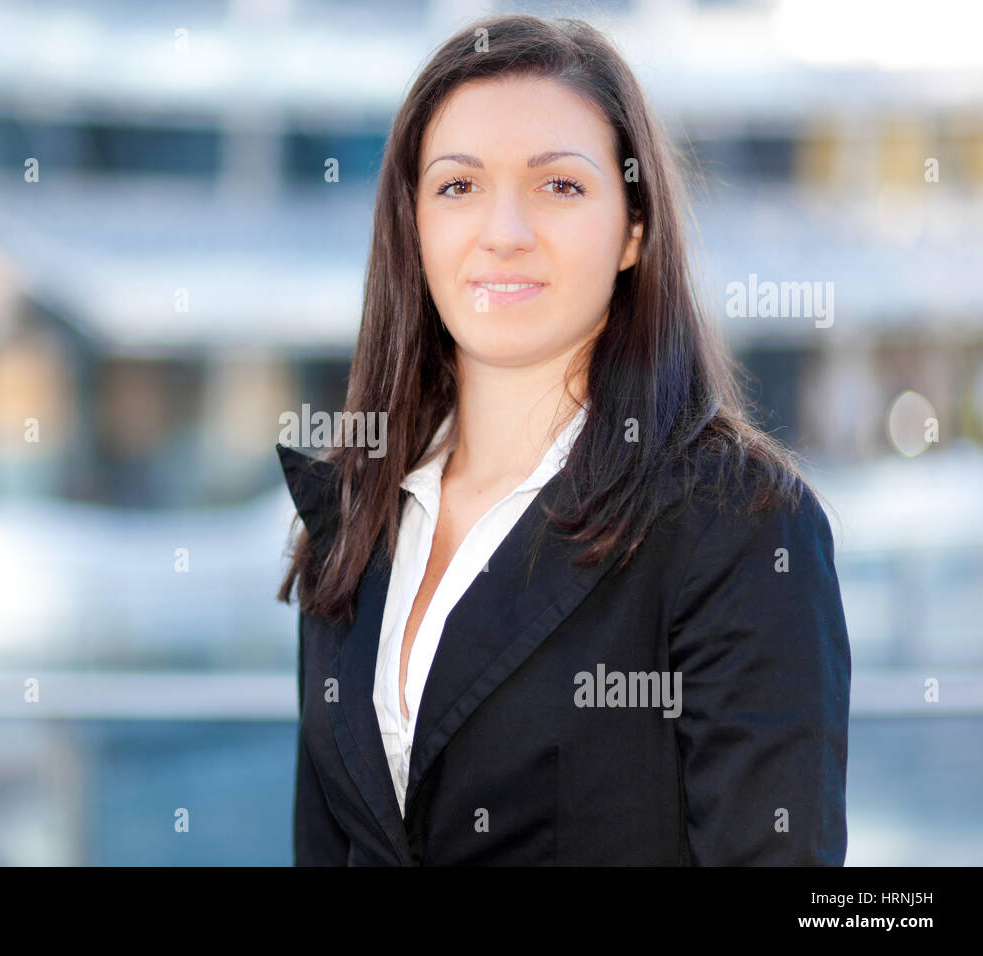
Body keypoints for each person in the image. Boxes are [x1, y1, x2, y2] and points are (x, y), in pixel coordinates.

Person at [276, 14, 850, 866]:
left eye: (559, 186)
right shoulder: (355, 512)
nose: (502, 231)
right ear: (415, 226)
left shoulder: (742, 524)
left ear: (633, 231)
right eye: (458, 187)